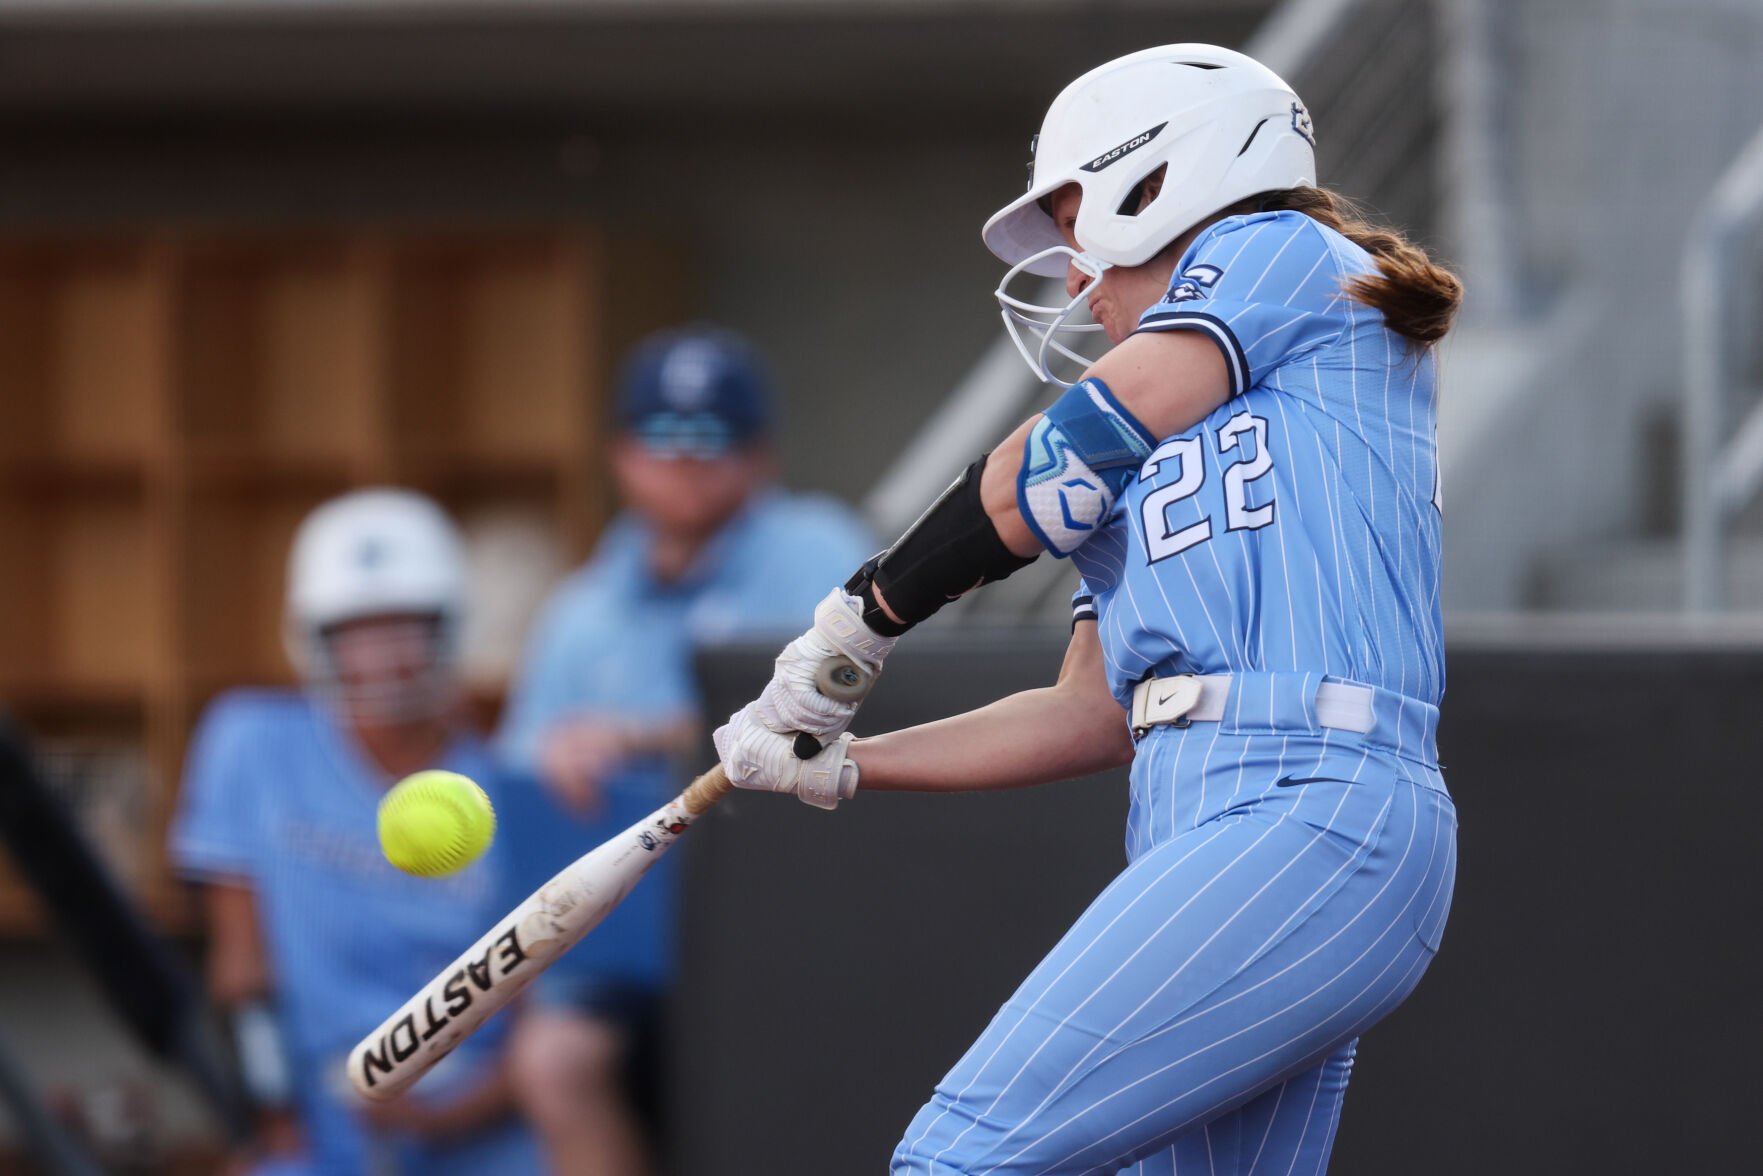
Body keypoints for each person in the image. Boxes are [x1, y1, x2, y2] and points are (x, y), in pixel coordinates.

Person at [712, 44, 1462, 1174]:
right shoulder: (1158, 441)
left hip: (1314, 800)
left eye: (1074, 217)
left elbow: (1040, 468)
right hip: (1204, 823)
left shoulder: (1281, 253)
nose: (1073, 276)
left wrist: (853, 627)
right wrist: (848, 760)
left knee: (959, 1160)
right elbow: (1086, 714)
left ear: (1159, 179)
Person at [497, 324, 875, 1174]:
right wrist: (558, 763)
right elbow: (524, 779)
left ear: (760, 454)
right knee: (553, 1058)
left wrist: (642, 734)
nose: (684, 461)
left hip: (798, 906)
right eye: (660, 438)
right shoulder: (580, 608)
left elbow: (853, 705)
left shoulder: (818, 544)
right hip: (629, 925)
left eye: (711, 437)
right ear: (619, 454)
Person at [170, 489, 544, 1176]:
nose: (381, 659)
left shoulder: (513, 789)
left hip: (476, 1124)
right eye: (354, 633)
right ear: (311, 638)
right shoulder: (248, 743)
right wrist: (276, 1122)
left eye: (405, 629)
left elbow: (539, 1021)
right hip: (318, 1119)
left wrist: (438, 1120)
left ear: (449, 630)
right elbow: (241, 972)